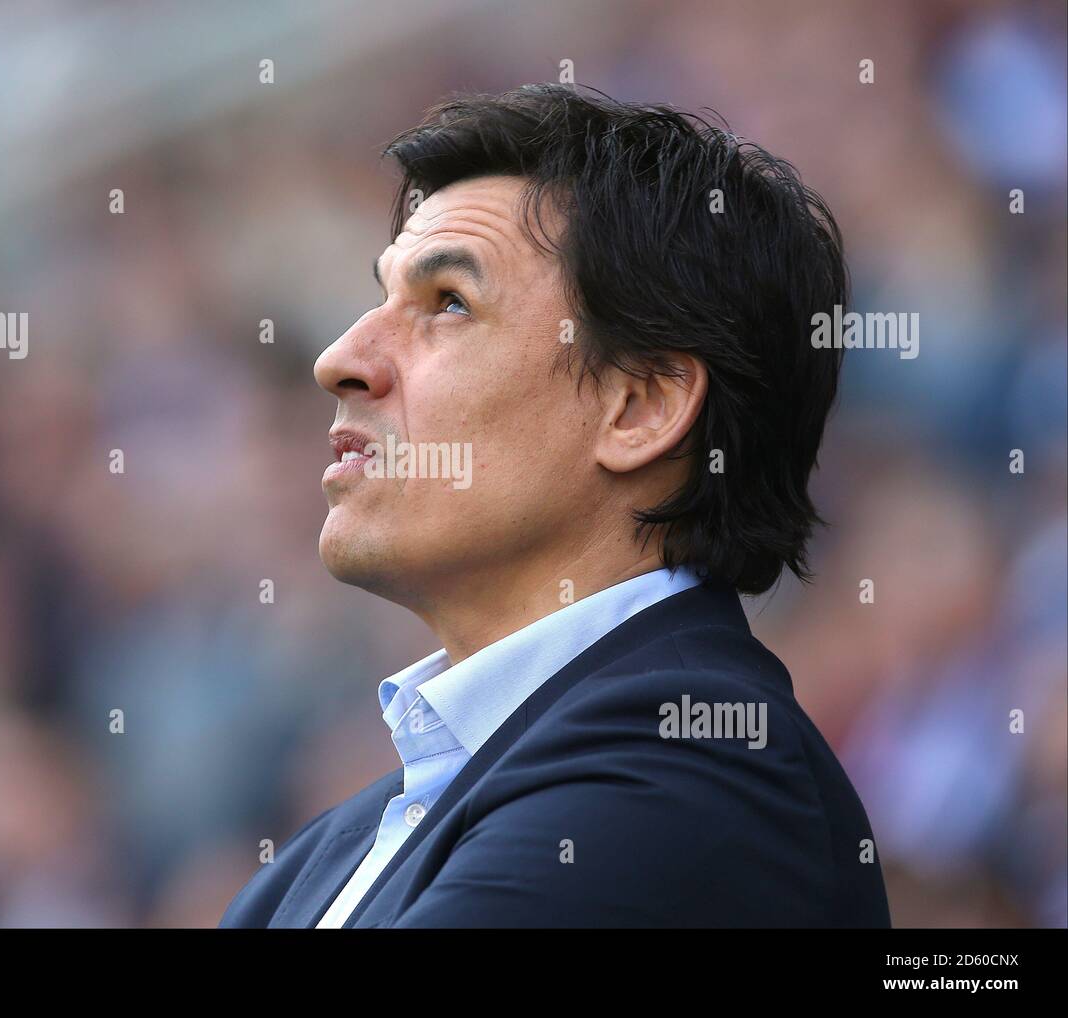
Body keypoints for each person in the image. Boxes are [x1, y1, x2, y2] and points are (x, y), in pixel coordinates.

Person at [221, 84, 891, 928]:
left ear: (640, 408)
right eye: (383, 296)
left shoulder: (692, 762)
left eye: (449, 304)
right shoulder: (329, 856)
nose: (341, 358)